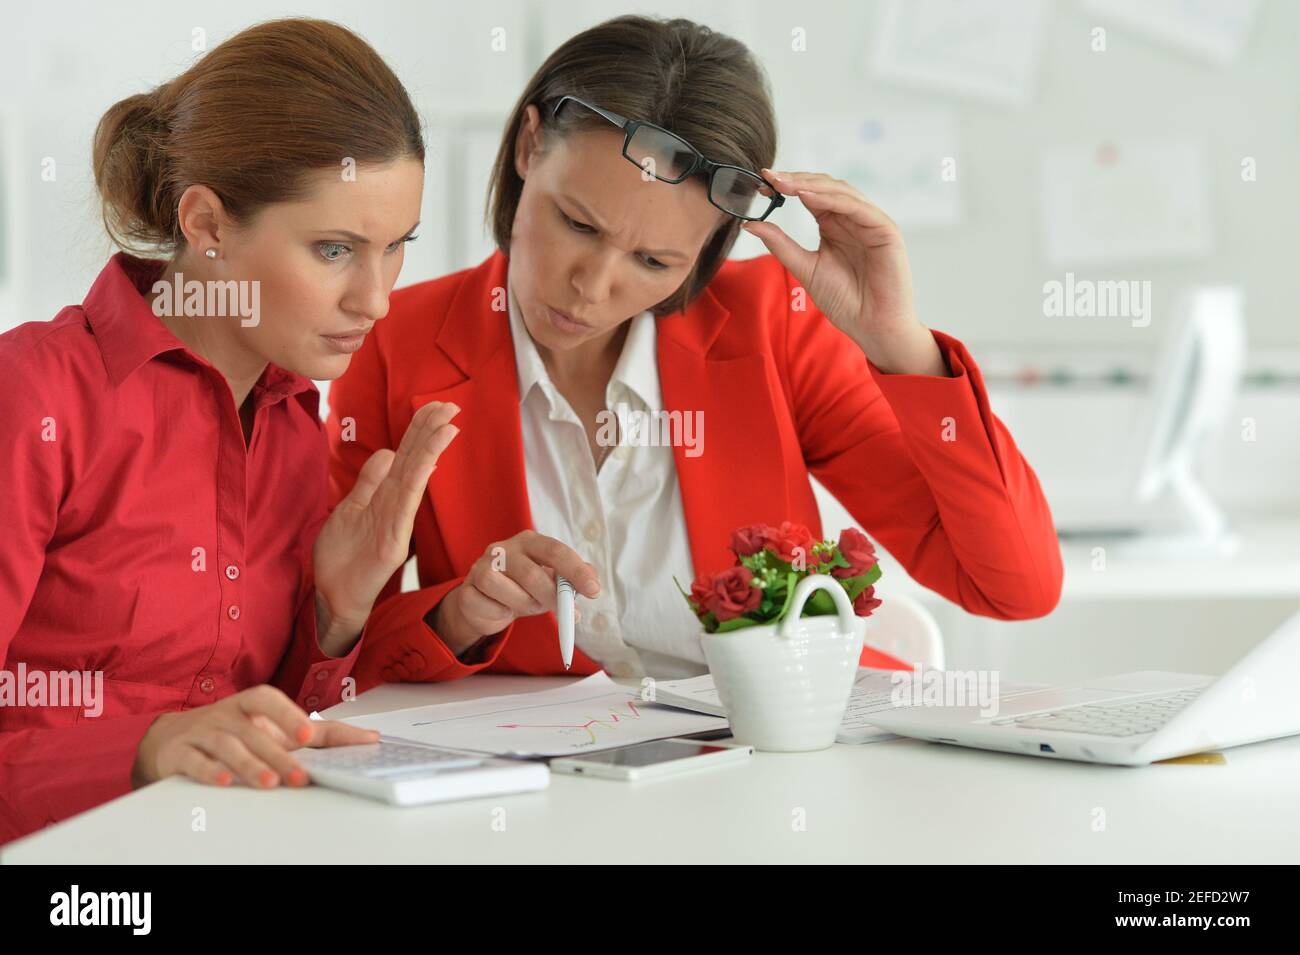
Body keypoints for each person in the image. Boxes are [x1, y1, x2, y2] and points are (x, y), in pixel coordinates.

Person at [326, 15, 1063, 690]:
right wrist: (458, 615)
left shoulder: (773, 325)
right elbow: (332, 648)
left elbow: (1013, 585)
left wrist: (897, 342)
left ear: (710, 250)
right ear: (527, 148)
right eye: (577, 223)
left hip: (774, 765)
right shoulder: (395, 343)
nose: (591, 286)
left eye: (653, 261)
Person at [0, 18, 458, 844]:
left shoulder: (289, 421)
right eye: (333, 248)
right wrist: (137, 750)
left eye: (395, 248)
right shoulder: (34, 394)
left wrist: (336, 611)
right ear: (207, 224)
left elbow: (259, 722)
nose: (378, 298)